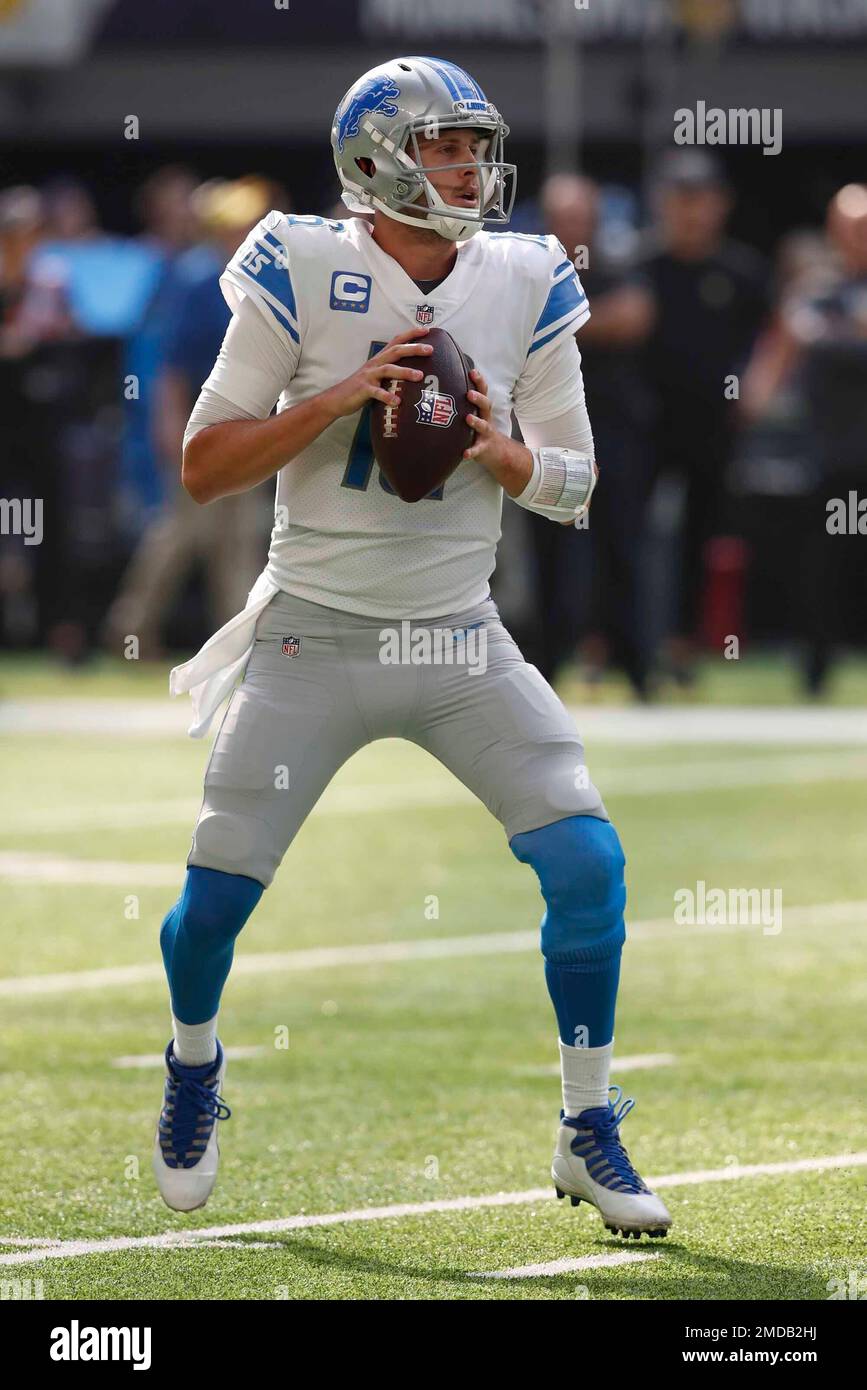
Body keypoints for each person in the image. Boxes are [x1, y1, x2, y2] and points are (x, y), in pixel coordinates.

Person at [153, 56, 671, 1242]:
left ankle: (585, 1125)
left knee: (590, 864)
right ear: (378, 159)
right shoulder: (301, 262)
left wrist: (504, 455)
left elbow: (579, 482)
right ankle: (192, 1065)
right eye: (447, 146)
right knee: (214, 900)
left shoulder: (527, 274)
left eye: (479, 148)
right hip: (309, 636)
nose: (473, 169)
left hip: (458, 635)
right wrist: (334, 399)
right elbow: (203, 464)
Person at [103, 178, 277, 655]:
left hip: (246, 425)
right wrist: (171, 425)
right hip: (201, 424)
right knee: (181, 534)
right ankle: (130, 629)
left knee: (239, 538)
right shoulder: (197, 278)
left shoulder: (253, 280)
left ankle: (236, 639)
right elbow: (172, 365)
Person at [639, 152, 769, 682]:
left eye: (701, 200)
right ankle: (611, 646)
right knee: (626, 534)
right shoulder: (641, 267)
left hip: (714, 427)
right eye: (680, 200)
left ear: (721, 205)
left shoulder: (741, 272)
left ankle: (682, 649)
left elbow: (773, 334)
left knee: (701, 540)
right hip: (643, 426)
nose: (691, 213)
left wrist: (757, 388)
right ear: (662, 205)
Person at [528, 173, 655, 696]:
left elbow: (635, 319)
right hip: (546, 430)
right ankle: (548, 665)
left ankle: (638, 670)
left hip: (615, 431)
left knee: (622, 550)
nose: (573, 227)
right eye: (563, 217)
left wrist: (560, 324)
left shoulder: (620, 264)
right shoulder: (528, 270)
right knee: (550, 555)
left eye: (582, 217)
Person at [741, 184, 867, 694]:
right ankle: (816, 669)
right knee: (822, 566)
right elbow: (768, 371)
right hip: (827, 457)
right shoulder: (812, 295)